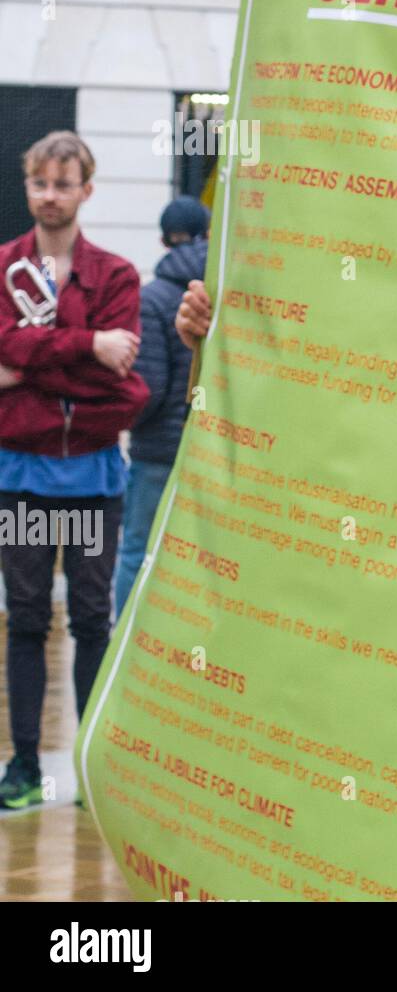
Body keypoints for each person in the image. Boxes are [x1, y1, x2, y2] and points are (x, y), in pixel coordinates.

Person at [0, 132, 149, 809]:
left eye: (65, 184)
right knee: (27, 622)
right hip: (23, 481)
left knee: (93, 621)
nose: (51, 196)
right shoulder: (3, 267)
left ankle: (91, 766)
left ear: (87, 189)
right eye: (41, 184)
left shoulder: (117, 275)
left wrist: (26, 372)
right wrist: (88, 345)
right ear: (27, 187)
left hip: (93, 481)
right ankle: (25, 766)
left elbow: (128, 395)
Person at [113, 198, 210, 619]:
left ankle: (127, 636)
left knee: (137, 550)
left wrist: (130, 424)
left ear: (161, 239)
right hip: (205, 454)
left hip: (155, 453)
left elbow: (148, 390)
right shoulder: (217, 294)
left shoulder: (149, 298)